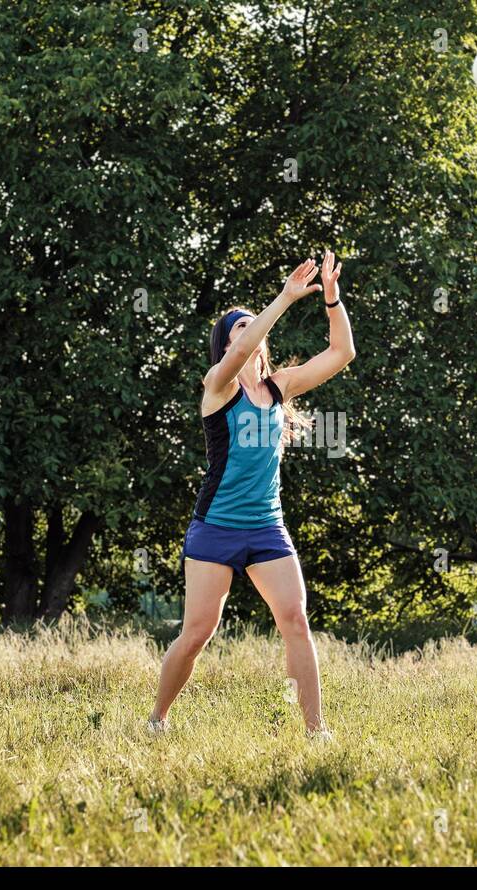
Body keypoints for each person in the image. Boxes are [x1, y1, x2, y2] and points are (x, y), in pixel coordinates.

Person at [149, 253, 355, 737]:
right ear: (227, 345)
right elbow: (238, 355)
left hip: (267, 528)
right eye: (239, 329)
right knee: (197, 633)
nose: (249, 335)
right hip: (215, 527)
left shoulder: (279, 389)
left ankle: (315, 730)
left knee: (296, 622)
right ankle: (158, 719)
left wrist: (331, 296)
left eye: (253, 328)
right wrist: (284, 296)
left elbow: (342, 352)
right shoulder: (217, 387)